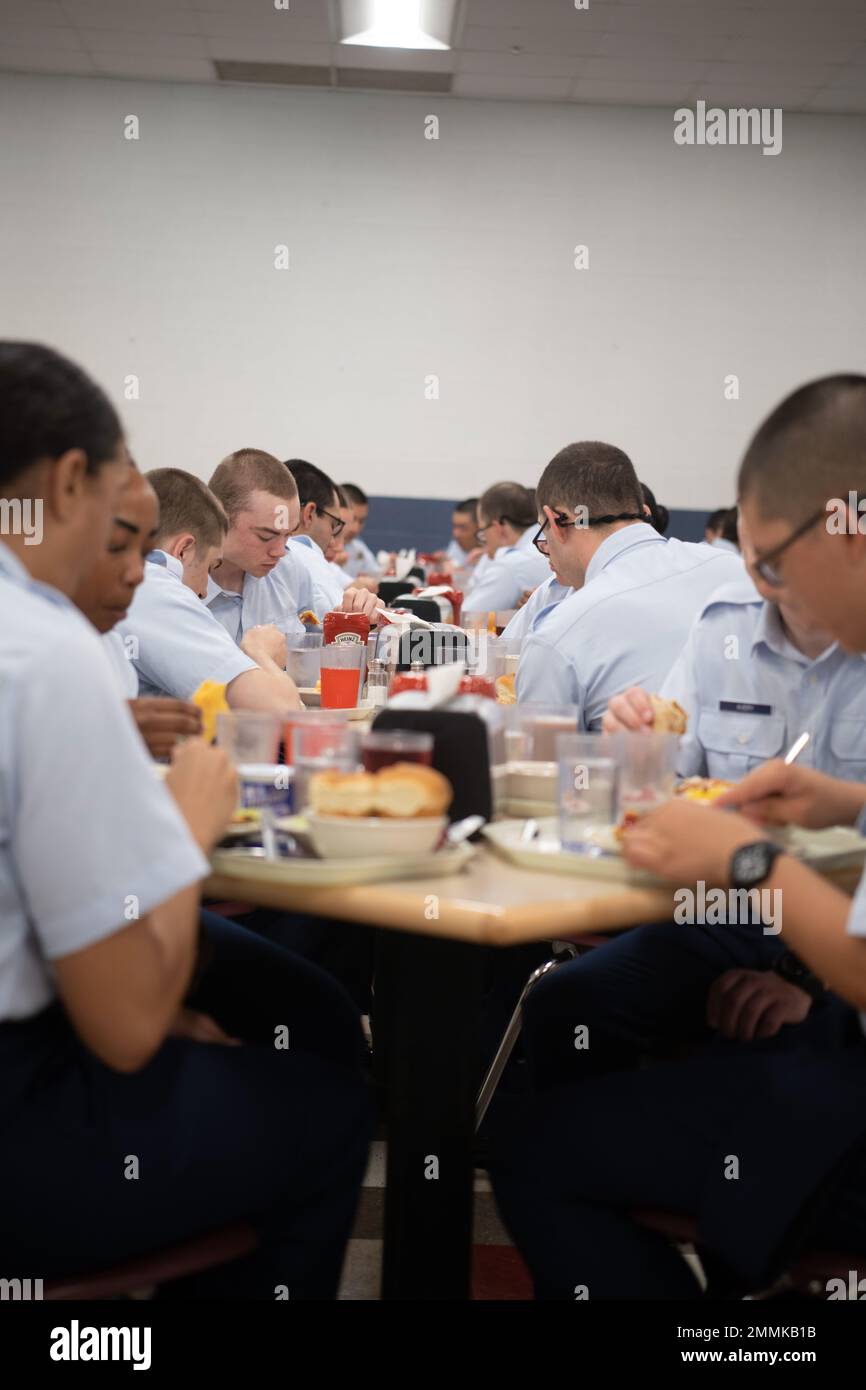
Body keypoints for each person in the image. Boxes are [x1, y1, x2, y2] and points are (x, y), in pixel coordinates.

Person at [0, 341, 372, 1298]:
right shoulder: (47, 648)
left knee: (289, 1007)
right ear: (75, 479)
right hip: (27, 1118)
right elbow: (123, 1022)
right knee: (330, 1103)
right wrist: (185, 827)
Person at [489, 375, 866, 1299]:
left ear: (848, 526)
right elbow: (682, 758)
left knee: (532, 1147)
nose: (758, 582)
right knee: (566, 1013)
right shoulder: (732, 623)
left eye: (771, 556)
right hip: (773, 943)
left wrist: (755, 872)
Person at [520, 508, 866, 1094]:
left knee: (772, 1064)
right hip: (732, 913)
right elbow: (670, 785)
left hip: (839, 933)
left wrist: (806, 980)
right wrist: (639, 745)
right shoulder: (725, 623)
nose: (763, 561)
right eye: (755, 533)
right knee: (567, 1004)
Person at [516, 443, 742, 722]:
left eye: (543, 533)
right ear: (643, 510)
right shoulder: (736, 571)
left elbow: (538, 762)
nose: (545, 548)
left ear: (556, 521)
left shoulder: (558, 636)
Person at [117, 467, 302, 710]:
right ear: (183, 550)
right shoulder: (156, 586)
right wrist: (258, 652)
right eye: (209, 566)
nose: (204, 591)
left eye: (288, 537)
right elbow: (283, 709)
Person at [72, 461, 202, 758]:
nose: (137, 574)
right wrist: (108, 733)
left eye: (144, 554)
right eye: (117, 546)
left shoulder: (111, 643)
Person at [286, 461, 381, 621]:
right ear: (309, 514)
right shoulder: (304, 554)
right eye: (334, 526)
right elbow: (342, 630)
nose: (336, 544)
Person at [462, 482, 551, 616]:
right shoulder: (544, 544)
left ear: (498, 528)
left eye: (483, 532)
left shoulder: (512, 564)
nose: (484, 541)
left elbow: (467, 618)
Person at [341, 482, 381, 578]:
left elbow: (376, 576)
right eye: (352, 518)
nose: (355, 528)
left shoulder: (357, 547)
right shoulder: (319, 548)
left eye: (361, 521)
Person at [446, 497, 482, 568]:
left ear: (480, 529)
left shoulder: (492, 557)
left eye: (463, 528)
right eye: (454, 526)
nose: (456, 534)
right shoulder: (456, 546)